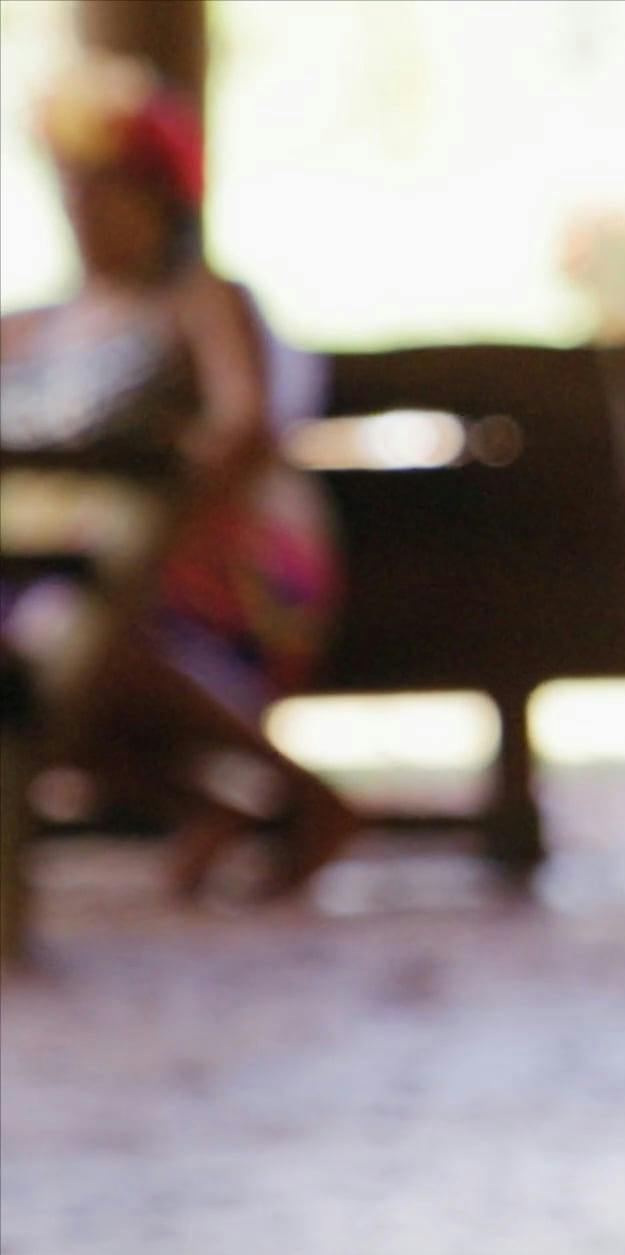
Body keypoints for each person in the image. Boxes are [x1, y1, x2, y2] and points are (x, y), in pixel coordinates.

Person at [0, 55, 355, 902]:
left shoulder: (204, 299)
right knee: (32, 641)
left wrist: (155, 511)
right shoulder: (34, 325)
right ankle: (216, 806)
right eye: (73, 187)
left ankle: (304, 796)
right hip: (59, 563)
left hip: (205, 561)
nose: (84, 208)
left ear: (159, 194)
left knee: (65, 628)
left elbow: (245, 429)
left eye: (106, 187)